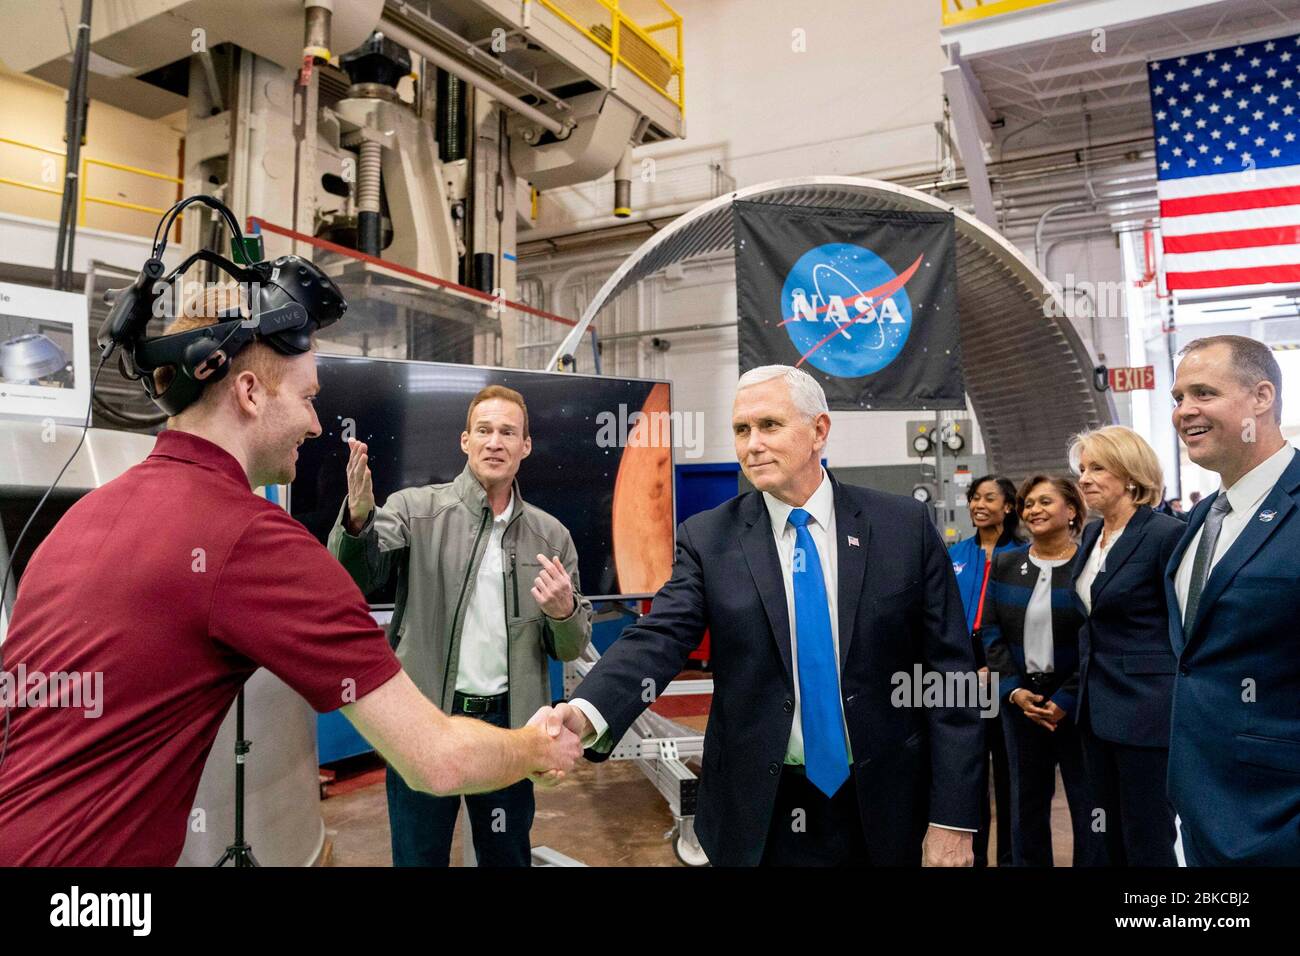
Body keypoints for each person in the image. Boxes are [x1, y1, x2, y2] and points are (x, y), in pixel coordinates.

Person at [0, 288, 581, 866]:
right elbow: (436, 759)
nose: (314, 423)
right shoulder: (257, 540)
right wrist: (538, 746)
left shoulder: (79, 520)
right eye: (307, 398)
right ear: (249, 393)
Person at [547, 365, 983, 866]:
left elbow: (952, 676)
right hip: (759, 812)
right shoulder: (709, 538)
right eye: (740, 430)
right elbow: (659, 637)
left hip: (885, 804)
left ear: (819, 430)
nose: (752, 444)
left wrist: (953, 818)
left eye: (770, 425)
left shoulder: (902, 527)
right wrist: (583, 712)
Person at [328, 385, 593, 867]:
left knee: (506, 855)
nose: (496, 442)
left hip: (510, 731)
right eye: (485, 431)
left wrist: (563, 612)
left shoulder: (551, 535)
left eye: (508, 432)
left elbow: (571, 646)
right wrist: (359, 520)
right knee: (418, 855)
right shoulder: (414, 510)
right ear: (465, 441)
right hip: (426, 722)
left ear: (525, 447)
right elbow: (355, 579)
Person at [1167, 334, 1300, 865]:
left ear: (1262, 397)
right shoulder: (1201, 520)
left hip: (1278, 821)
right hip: (1201, 815)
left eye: (1203, 393)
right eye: (1178, 398)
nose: (1184, 412)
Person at [1070, 426, 1184, 866]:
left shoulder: (1164, 535)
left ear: (1131, 475)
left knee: (1148, 835)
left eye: (1097, 467)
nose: (1084, 478)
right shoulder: (1092, 539)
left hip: (1147, 710)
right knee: (1103, 832)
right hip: (1095, 711)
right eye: (1082, 469)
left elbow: (1182, 623)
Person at [981, 475, 1102, 866]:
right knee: (1024, 807)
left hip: (1078, 704)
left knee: (1089, 808)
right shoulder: (1005, 563)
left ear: (1072, 511)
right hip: (1022, 704)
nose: (1034, 510)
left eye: (1045, 502)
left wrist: (1066, 696)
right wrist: (1013, 690)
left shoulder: (1092, 563)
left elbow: (1096, 638)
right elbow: (992, 631)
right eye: (1029, 503)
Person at [949, 475, 1021, 867]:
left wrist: (996, 668)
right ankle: (972, 859)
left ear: (1008, 507)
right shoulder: (956, 553)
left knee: (1011, 774)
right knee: (969, 772)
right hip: (962, 674)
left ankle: (1011, 859)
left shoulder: (1024, 554)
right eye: (974, 497)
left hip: (1006, 670)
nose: (978, 504)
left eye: (988, 498)